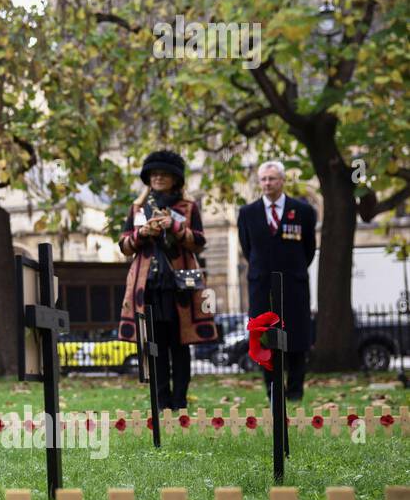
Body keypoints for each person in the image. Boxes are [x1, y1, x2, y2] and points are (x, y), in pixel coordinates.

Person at [117, 150, 218, 412]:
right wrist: (143, 232)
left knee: (180, 345)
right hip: (148, 286)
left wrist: (173, 226)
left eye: (164, 174)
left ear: (176, 179)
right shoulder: (137, 208)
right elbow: (125, 246)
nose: (158, 178)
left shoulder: (188, 208)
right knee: (155, 346)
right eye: (154, 174)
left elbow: (199, 243)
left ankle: (180, 403)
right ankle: (161, 403)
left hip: (179, 287)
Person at [237, 160, 317, 401]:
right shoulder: (247, 213)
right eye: (263, 179)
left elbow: (309, 249)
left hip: (294, 285)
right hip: (261, 285)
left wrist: (293, 268)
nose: (267, 183)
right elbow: (247, 247)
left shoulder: (303, 211)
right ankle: (273, 391)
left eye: (272, 178)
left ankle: (294, 391)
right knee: (265, 339)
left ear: (282, 180)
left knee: (296, 338)